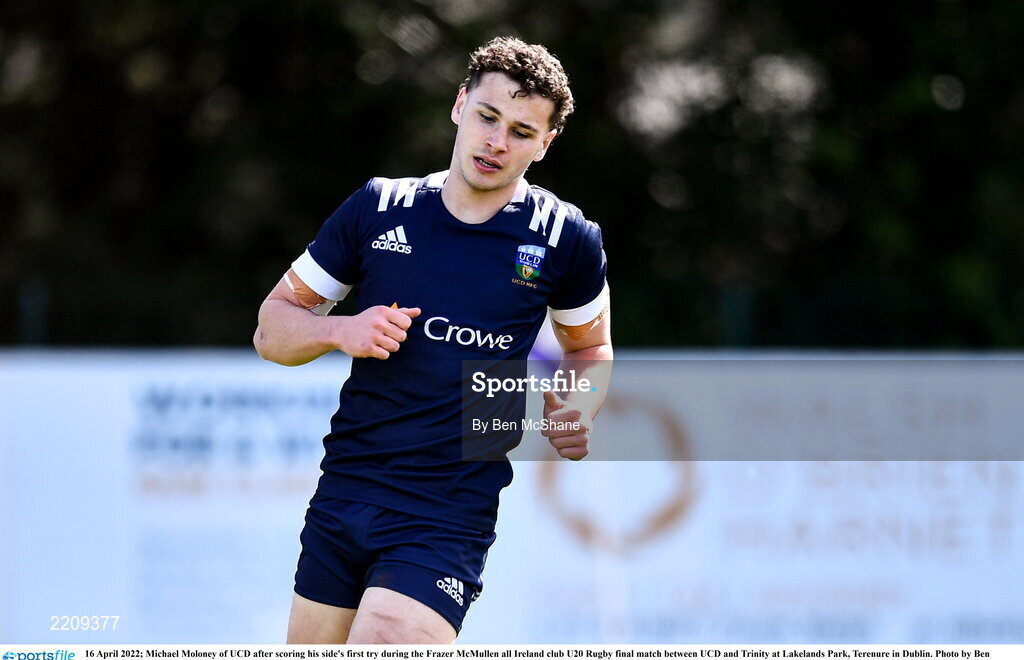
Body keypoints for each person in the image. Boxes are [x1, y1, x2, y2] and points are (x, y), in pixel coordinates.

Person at [254, 36, 612, 644]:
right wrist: (342, 329)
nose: (497, 142)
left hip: (451, 505)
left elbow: (589, 349)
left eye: (521, 132)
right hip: (347, 486)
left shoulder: (565, 236)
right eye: (488, 117)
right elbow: (272, 330)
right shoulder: (379, 206)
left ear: (545, 144)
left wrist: (578, 406)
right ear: (459, 105)